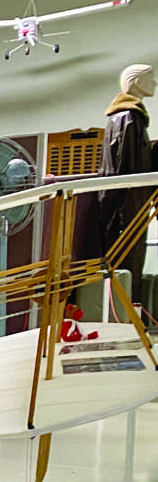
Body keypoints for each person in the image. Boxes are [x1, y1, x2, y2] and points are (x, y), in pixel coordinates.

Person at [99, 63, 156, 309]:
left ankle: (131, 317)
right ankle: (126, 319)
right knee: (127, 264)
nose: (154, 83)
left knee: (133, 263)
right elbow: (124, 171)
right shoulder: (127, 117)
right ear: (136, 82)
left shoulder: (134, 117)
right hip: (126, 208)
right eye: (150, 78)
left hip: (133, 205)